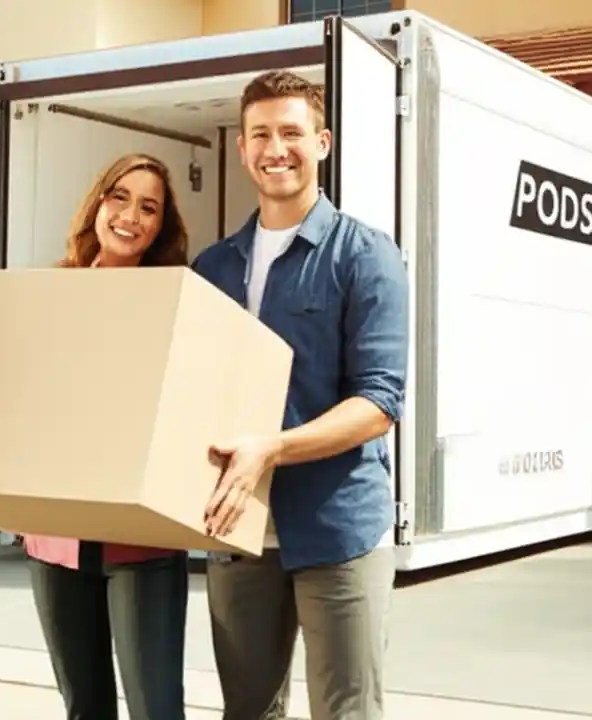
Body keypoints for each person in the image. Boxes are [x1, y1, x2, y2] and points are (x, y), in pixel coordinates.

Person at [191, 70, 410, 720]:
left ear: (323, 142)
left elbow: (378, 402)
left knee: (347, 711)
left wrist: (271, 449)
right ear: (240, 147)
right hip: (239, 529)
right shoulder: (214, 267)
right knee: (249, 711)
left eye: (291, 132)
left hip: (339, 527)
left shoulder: (365, 255)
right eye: (260, 134)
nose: (275, 148)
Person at [22, 152, 192, 720]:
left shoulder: (177, 303)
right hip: (57, 534)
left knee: (155, 709)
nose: (130, 215)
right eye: (119, 197)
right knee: (84, 708)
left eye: (149, 207)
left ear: (160, 227)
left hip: (140, 536)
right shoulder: (47, 297)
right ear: (98, 202)